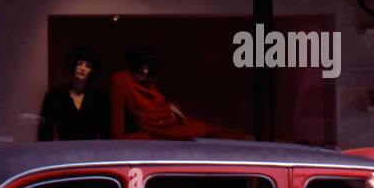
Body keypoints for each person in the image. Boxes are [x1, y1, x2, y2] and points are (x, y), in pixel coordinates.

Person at [109, 42, 243, 140]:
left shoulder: (148, 83)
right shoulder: (121, 79)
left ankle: (247, 139)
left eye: (149, 67)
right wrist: (117, 144)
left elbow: (157, 104)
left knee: (211, 131)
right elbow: (117, 114)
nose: (146, 71)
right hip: (154, 128)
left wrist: (169, 106)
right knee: (206, 135)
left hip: (169, 120)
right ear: (133, 64)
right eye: (142, 67)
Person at [38, 46, 109, 141]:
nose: (82, 68)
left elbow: (106, 133)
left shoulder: (100, 99)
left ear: (92, 71)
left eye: (88, 66)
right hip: (64, 152)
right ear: (73, 65)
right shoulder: (54, 97)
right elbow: (45, 133)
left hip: (91, 153)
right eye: (79, 64)